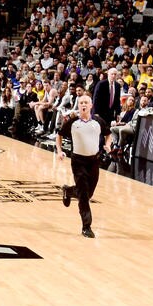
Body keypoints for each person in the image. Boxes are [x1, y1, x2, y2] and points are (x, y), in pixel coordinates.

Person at [60, 93, 102, 238]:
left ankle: (69, 191)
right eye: (81, 102)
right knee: (84, 195)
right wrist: (60, 151)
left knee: (89, 193)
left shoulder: (98, 121)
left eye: (86, 102)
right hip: (78, 161)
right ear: (79, 105)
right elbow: (59, 134)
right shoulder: (72, 122)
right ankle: (86, 226)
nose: (83, 105)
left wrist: (108, 145)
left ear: (91, 105)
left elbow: (108, 133)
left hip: (94, 161)